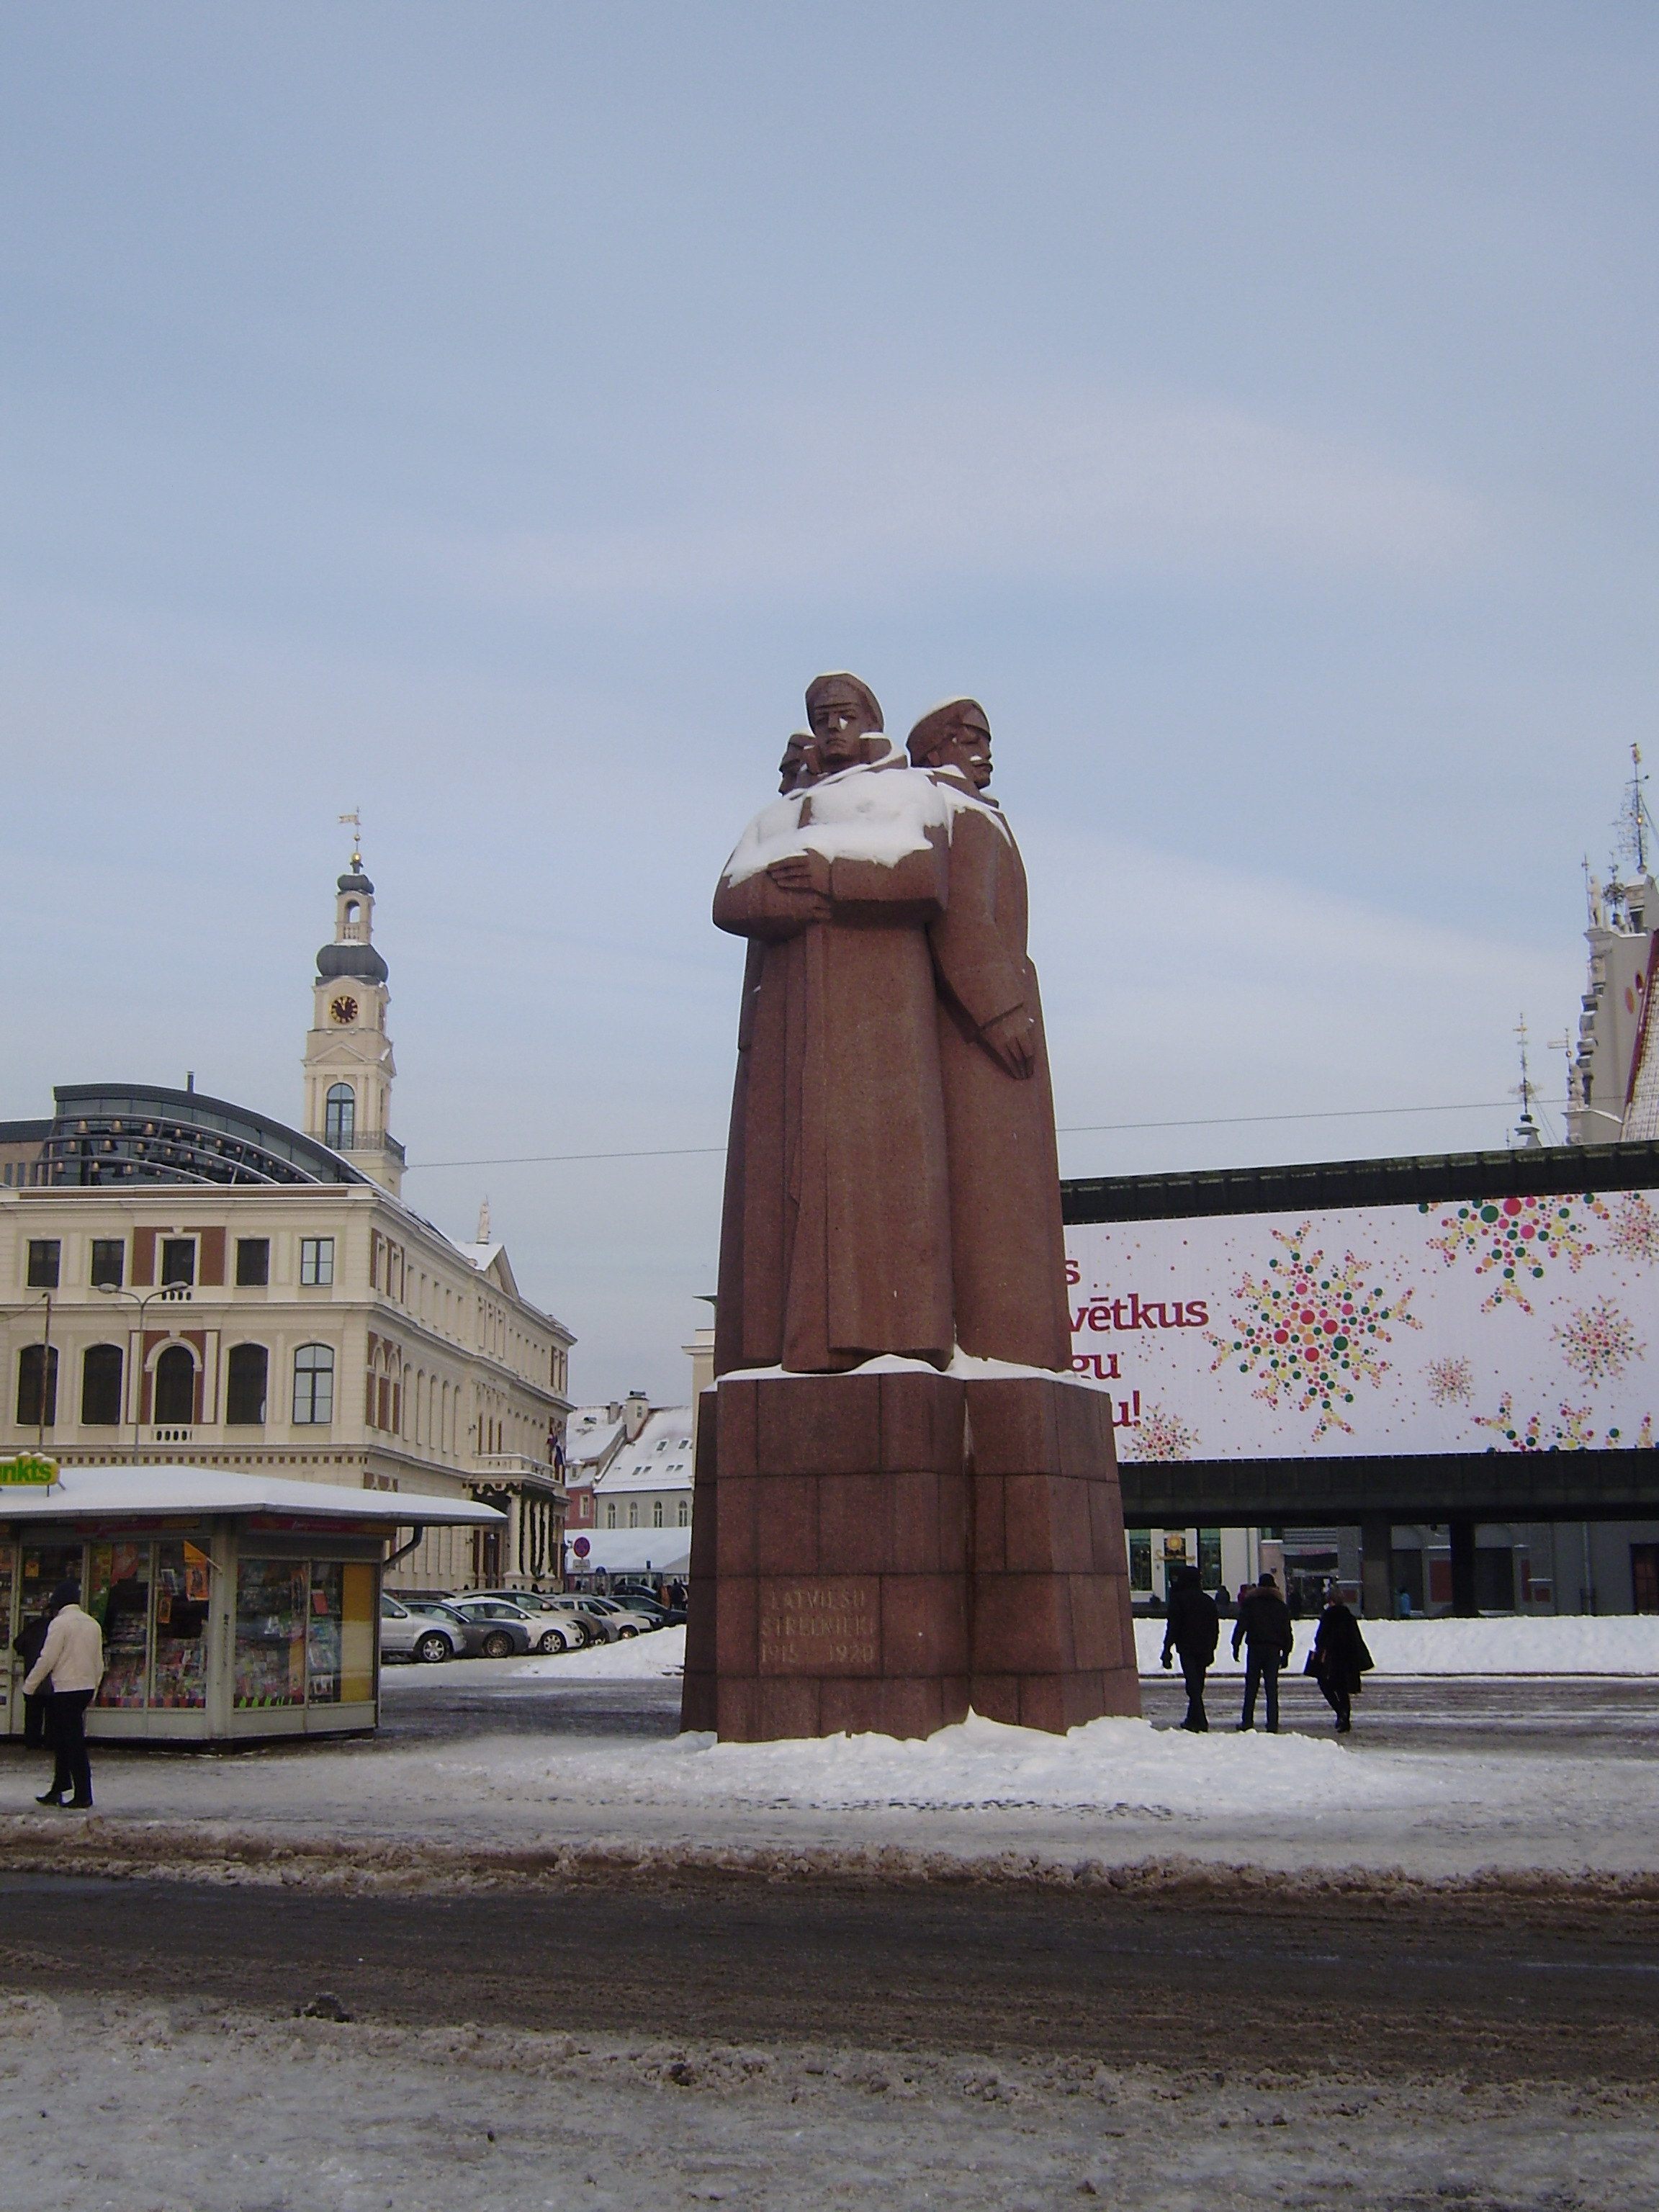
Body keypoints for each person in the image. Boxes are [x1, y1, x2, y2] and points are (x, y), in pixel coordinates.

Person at [713, 673, 956, 1375]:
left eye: (845, 716)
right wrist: (794, 904)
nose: (832, 731)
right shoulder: (782, 812)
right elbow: (730, 895)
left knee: (878, 1177)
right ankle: (792, 1341)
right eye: (822, 719)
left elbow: (920, 875)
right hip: (792, 1014)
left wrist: (825, 875)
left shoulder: (908, 794)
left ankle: (891, 1333)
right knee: (788, 1182)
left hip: (881, 1020)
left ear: (872, 719)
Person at [905, 698, 1074, 1367]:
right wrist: (1001, 1011)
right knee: (996, 1192)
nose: (985, 751)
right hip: (978, 1034)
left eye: (986, 739)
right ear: (937, 748)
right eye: (969, 738)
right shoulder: (959, 814)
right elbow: (964, 921)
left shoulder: (974, 812)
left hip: (996, 1014)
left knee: (1016, 1193)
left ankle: (1019, 1347)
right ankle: (1006, 1346)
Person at [22, 1579, 104, 1808]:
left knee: (73, 1741)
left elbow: (47, 1659)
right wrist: (94, 1690)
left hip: (66, 1688)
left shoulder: (60, 1624)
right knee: (63, 1737)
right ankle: (59, 1786)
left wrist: (30, 1686)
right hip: (85, 1688)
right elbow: (99, 1663)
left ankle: (83, 1794)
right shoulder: (92, 1624)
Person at [1159, 1565, 1220, 1732]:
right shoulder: (1207, 1601)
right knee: (1197, 1684)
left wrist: (1167, 1648)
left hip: (1186, 1646)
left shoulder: (1178, 1599)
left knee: (1192, 1684)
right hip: (1204, 1647)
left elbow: (1174, 1626)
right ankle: (1193, 1719)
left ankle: (1200, 1720)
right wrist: (1212, 1648)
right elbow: (1214, 1627)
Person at [1231, 1571, 1293, 1732]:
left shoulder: (1251, 1603)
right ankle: (1272, 1723)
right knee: (1272, 1688)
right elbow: (1286, 1631)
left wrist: (1236, 1645)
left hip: (1255, 1647)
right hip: (1273, 1649)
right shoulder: (1280, 1606)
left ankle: (1247, 1721)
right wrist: (1286, 1653)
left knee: (1251, 1686)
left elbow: (1242, 1625)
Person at [1308, 1584, 1374, 1734]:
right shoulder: (1349, 1617)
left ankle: (1340, 1713)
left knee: (1325, 1685)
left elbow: (1320, 1638)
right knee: (1343, 1690)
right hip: (1347, 1660)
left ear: (1330, 1601)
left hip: (1331, 1660)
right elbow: (1356, 1639)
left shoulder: (1328, 1616)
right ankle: (1345, 1718)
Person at [12, 1592, 58, 1750]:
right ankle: (51, 1742)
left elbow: (17, 1644)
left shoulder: (33, 1627)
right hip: (53, 1679)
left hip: (33, 1676)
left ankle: (32, 1742)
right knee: (52, 1715)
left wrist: (28, 1655)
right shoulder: (57, 1629)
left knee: (33, 1715)